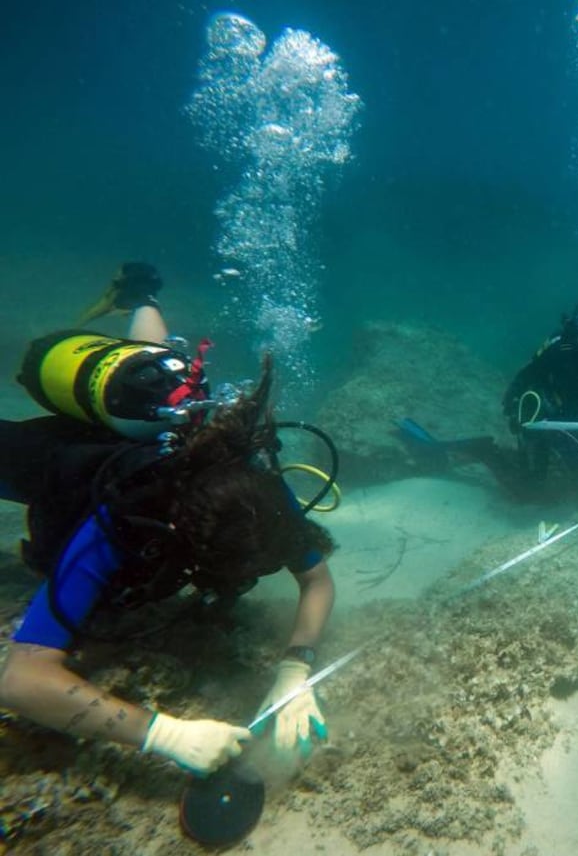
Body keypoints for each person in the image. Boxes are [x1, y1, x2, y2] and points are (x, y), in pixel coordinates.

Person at [0, 262, 338, 777]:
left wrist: (295, 668)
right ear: (187, 544)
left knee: (169, 374)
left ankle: (142, 297)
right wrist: (161, 732)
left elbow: (315, 580)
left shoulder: (257, 489)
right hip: (45, 459)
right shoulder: (123, 523)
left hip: (155, 406)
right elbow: (22, 679)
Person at [408, 305, 578, 502]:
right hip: (542, 419)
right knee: (529, 493)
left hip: (573, 424)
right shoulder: (568, 350)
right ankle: (485, 450)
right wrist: (515, 410)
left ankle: (532, 456)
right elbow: (527, 374)